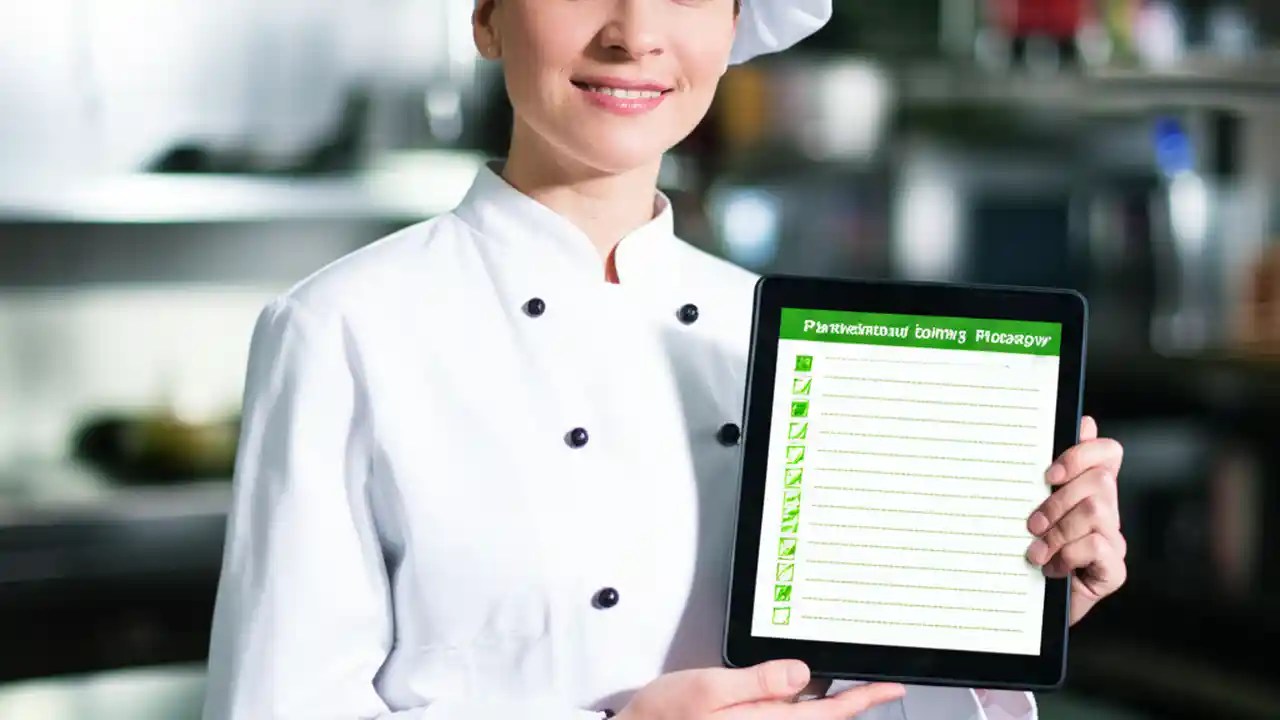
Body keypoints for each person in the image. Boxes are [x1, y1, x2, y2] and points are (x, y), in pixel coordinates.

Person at [201, 1, 1128, 718]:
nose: (636, 34)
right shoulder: (344, 329)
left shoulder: (781, 333)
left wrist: (1009, 598)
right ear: (486, 14)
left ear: (731, 32)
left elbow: (857, 694)